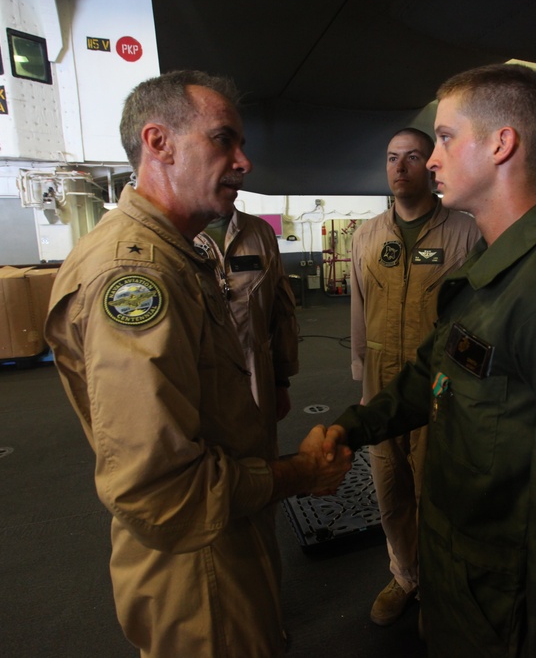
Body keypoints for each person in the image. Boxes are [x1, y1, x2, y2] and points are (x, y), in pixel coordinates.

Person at [326, 63, 536, 657]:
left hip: (505, 611)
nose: (429, 159)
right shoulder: (490, 274)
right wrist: (353, 427)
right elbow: (433, 374)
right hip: (458, 582)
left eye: (446, 138)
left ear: (502, 144)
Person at [44, 70, 351, 658]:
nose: (243, 161)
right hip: (200, 569)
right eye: (223, 140)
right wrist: (300, 474)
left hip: (224, 539)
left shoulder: (176, 255)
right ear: (158, 143)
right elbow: (164, 491)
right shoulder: (136, 277)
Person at [350, 127, 480, 626]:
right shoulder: (366, 235)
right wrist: (362, 376)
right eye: (391, 158)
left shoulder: (465, 233)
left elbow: (474, 317)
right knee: (391, 489)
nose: (399, 167)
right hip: (381, 382)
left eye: (411, 157)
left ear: (429, 166)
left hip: (438, 382)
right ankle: (405, 576)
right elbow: (359, 314)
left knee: (435, 490)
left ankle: (439, 590)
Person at [194, 207, 299, 439]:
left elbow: (281, 311)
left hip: (256, 372)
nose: (241, 168)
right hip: (197, 380)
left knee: (260, 455)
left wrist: (281, 380)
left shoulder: (260, 232)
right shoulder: (173, 233)